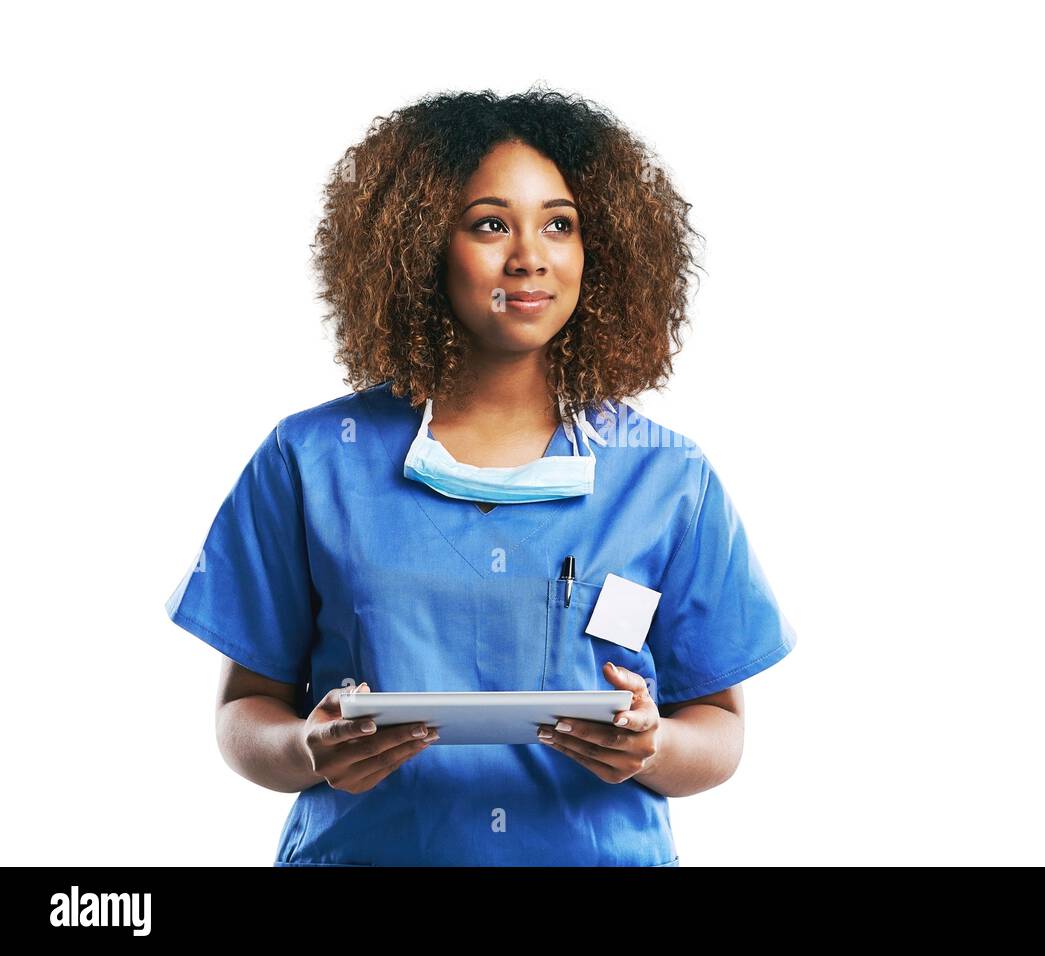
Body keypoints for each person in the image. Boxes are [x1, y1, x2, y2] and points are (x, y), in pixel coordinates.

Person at [164, 88, 797, 866]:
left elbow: (721, 730)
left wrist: (651, 745)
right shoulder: (311, 459)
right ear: (421, 244)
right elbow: (242, 713)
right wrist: (308, 747)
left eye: (559, 224)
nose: (530, 255)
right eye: (490, 223)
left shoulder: (667, 476)